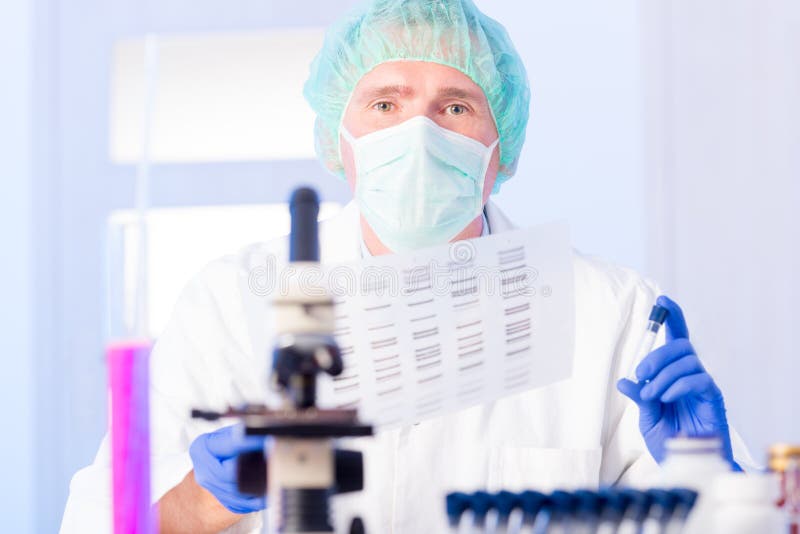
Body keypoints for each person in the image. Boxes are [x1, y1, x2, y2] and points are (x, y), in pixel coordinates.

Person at [61, 0, 754, 532]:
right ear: (340, 135)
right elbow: (103, 524)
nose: (417, 133)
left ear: (502, 144)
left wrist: (714, 477)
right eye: (385, 104)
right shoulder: (231, 303)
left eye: (455, 106)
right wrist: (205, 499)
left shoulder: (612, 313)